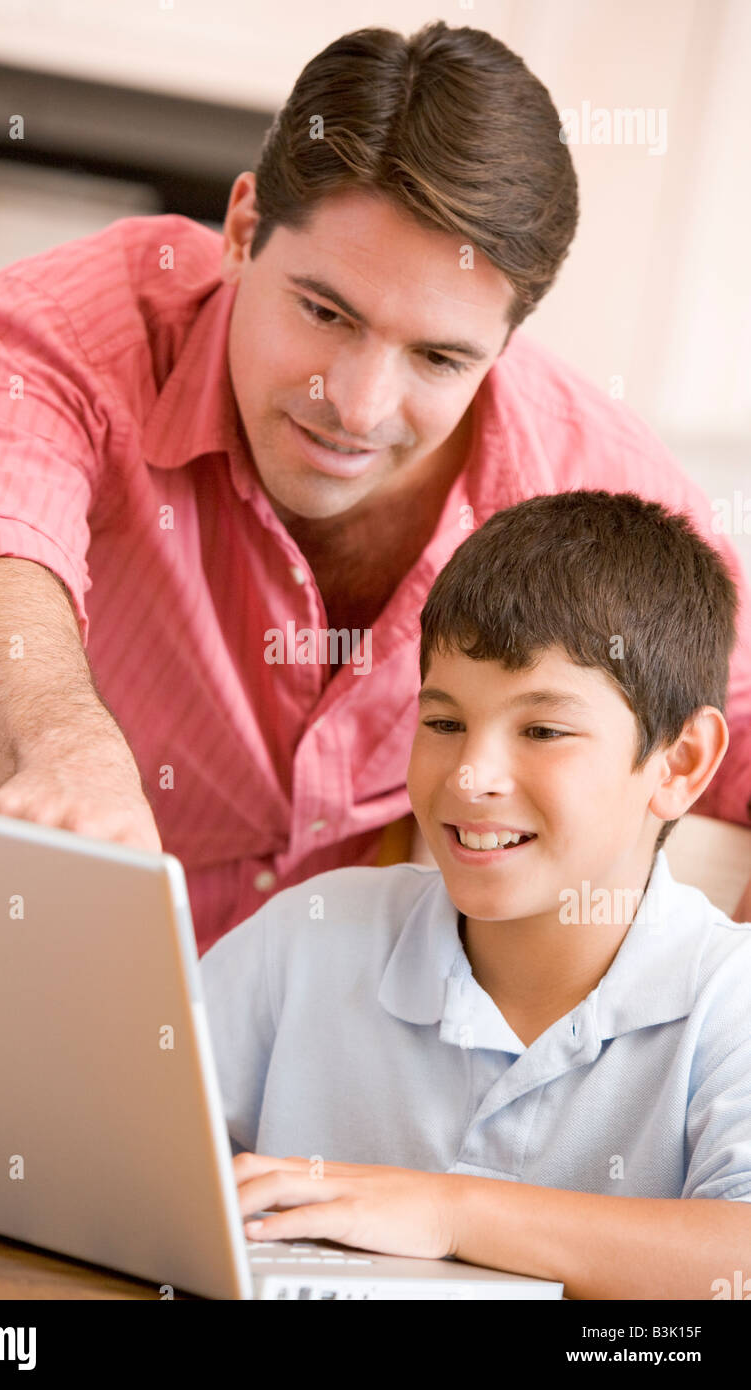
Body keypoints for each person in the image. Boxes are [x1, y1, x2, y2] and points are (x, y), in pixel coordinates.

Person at [0, 23, 751, 953]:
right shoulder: (70, 325)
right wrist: (65, 751)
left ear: (505, 343)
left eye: (439, 358)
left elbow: (733, 717)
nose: (357, 406)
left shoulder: (584, 468)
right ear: (242, 229)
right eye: (325, 311)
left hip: (297, 986)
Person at [201, 491, 751, 1300]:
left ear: (679, 763)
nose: (470, 777)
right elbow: (117, 1144)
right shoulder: (307, 937)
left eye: (543, 731)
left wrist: (449, 1213)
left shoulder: (729, 998)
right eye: (445, 723)